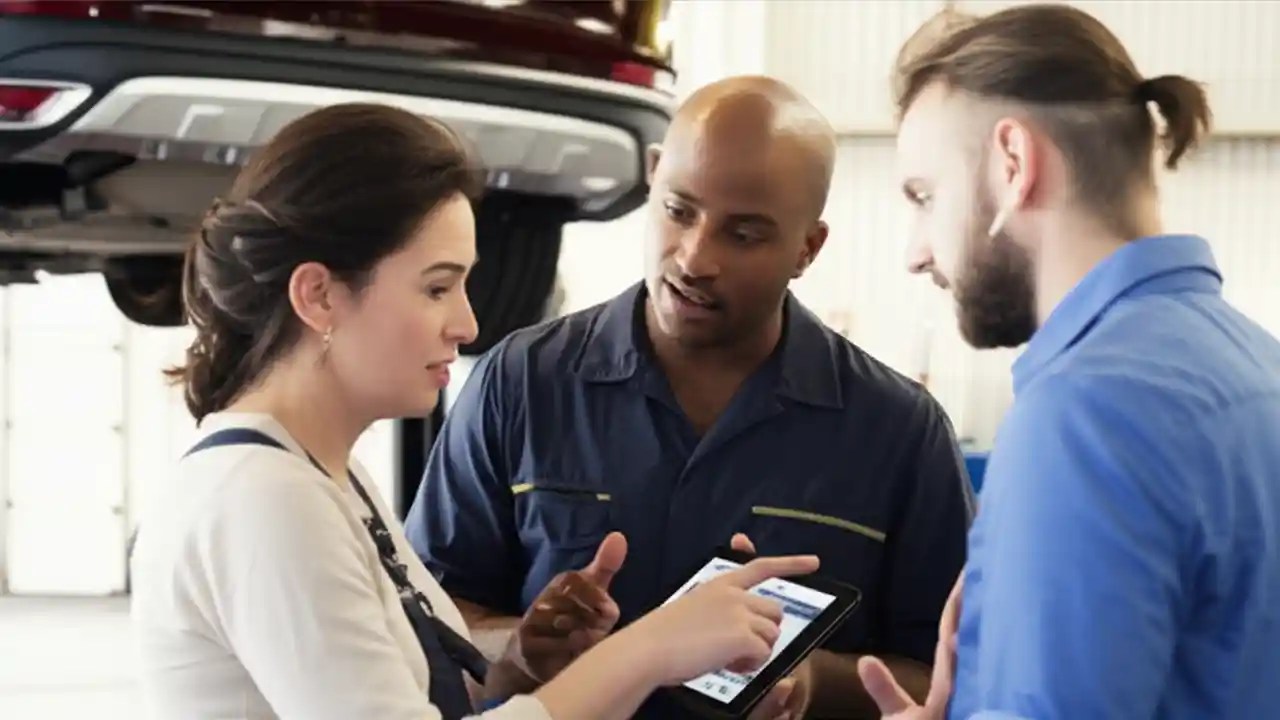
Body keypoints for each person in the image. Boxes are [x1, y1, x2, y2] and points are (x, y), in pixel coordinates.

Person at [128, 102, 826, 720]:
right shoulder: (266, 500)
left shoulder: (325, 480)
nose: (466, 324)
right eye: (437, 288)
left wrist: (529, 655)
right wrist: (650, 649)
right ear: (318, 296)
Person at [406, 76, 976, 719]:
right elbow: (429, 626)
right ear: (654, 180)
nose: (695, 256)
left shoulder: (899, 432)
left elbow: (951, 670)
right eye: (679, 210)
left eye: (744, 234)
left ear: (807, 249)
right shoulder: (521, 384)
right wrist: (521, 645)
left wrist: (809, 683)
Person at [856, 5, 1280, 719]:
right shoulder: (1256, 368)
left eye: (926, 197)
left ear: (1012, 163)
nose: (916, 250)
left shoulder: (1086, 414)